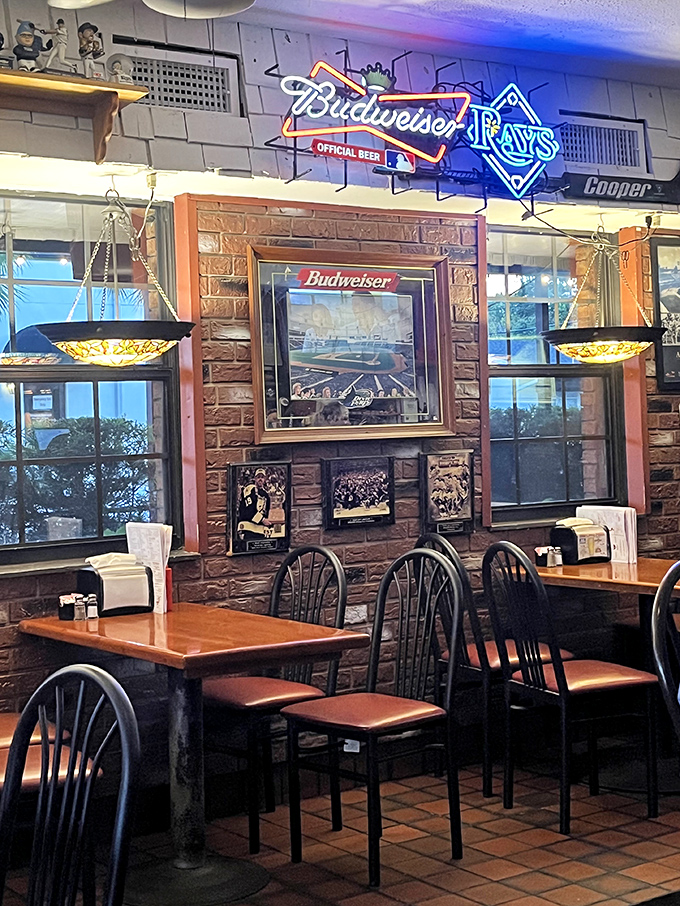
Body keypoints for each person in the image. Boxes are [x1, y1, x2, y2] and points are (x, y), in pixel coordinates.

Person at [237, 468, 272, 539]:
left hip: (260, 530)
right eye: (258, 477)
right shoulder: (249, 489)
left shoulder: (265, 494)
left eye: (262, 477)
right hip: (248, 527)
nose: (260, 479)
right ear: (255, 478)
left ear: (265, 479)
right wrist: (263, 520)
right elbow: (249, 509)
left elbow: (267, 511)